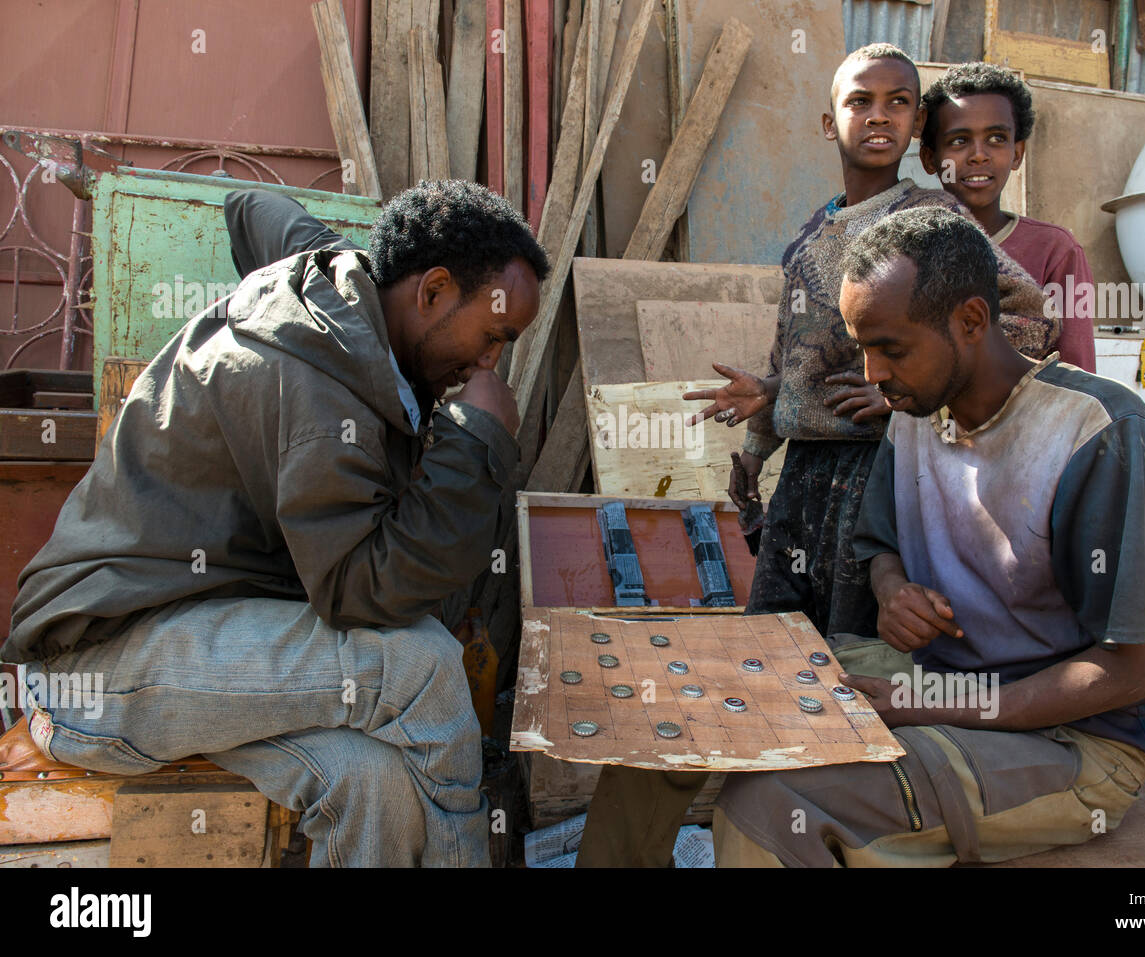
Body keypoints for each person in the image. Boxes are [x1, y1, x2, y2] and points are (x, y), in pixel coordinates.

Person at [574, 43, 1057, 868]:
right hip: (805, 482)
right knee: (772, 671)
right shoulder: (811, 236)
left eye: (900, 103)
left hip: (880, 484)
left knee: (852, 686)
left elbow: (1025, 316)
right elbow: (797, 362)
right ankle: (765, 823)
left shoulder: (929, 224)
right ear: (825, 120)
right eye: (861, 101)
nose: (880, 116)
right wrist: (763, 419)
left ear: (914, 125)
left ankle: (826, 831)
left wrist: (900, 394)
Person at [1, 180, 550, 867]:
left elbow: (252, 210)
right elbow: (357, 590)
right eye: (494, 335)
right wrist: (475, 440)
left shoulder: (338, 292)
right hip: (99, 667)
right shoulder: (320, 389)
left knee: (370, 781)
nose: (492, 362)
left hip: (199, 646)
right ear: (433, 290)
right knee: (423, 662)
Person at [711, 206, 1145, 867]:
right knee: (710, 704)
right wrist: (893, 589)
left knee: (768, 805)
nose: (873, 373)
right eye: (863, 347)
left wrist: (930, 703)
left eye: (891, 348)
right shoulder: (917, 407)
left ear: (970, 321)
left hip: (1075, 743)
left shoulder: (1102, 435)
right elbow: (879, 544)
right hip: (942, 681)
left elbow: (1127, 673)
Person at [919, 61, 1096, 371]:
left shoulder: (1054, 251)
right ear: (930, 158)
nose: (978, 154)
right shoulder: (910, 244)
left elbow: (1077, 377)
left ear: (1017, 154)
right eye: (958, 141)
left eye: (996, 138)